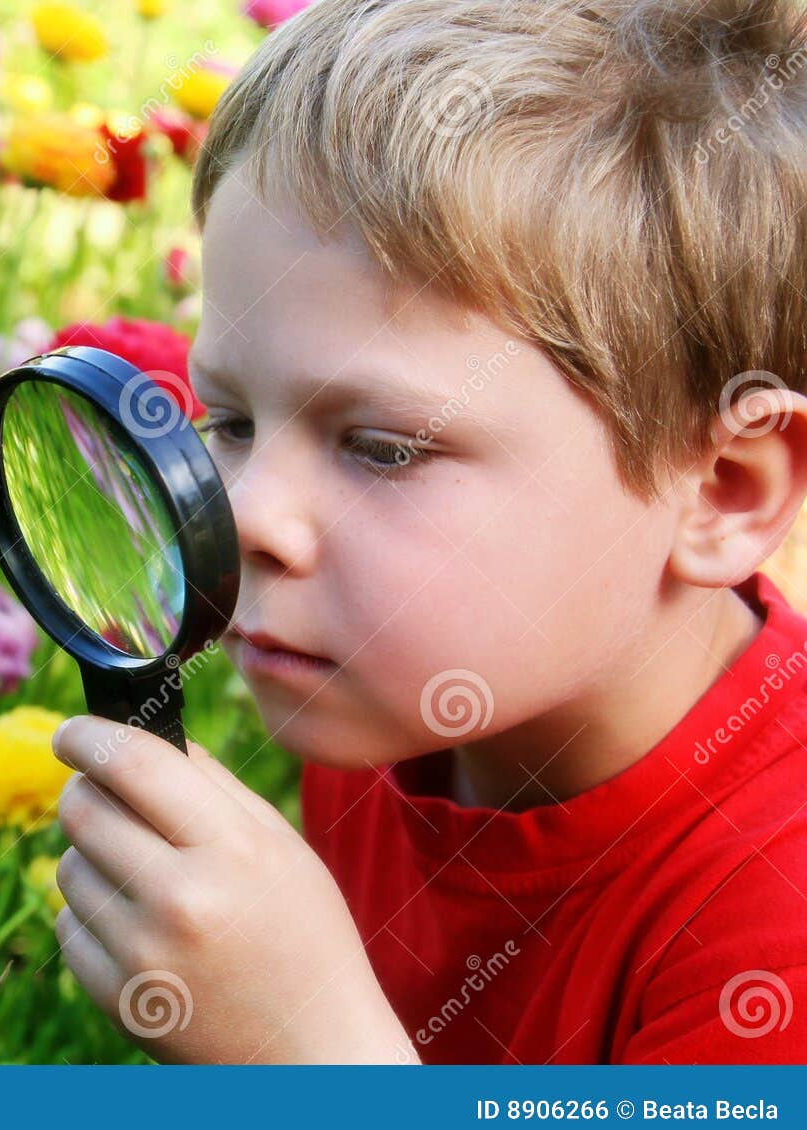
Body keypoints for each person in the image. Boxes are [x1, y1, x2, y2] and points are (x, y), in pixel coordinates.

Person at [51, 0, 807, 1063]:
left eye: (384, 448)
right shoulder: (378, 708)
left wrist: (313, 1064)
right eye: (227, 419)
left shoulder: (776, 933)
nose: (249, 514)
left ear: (723, 490)